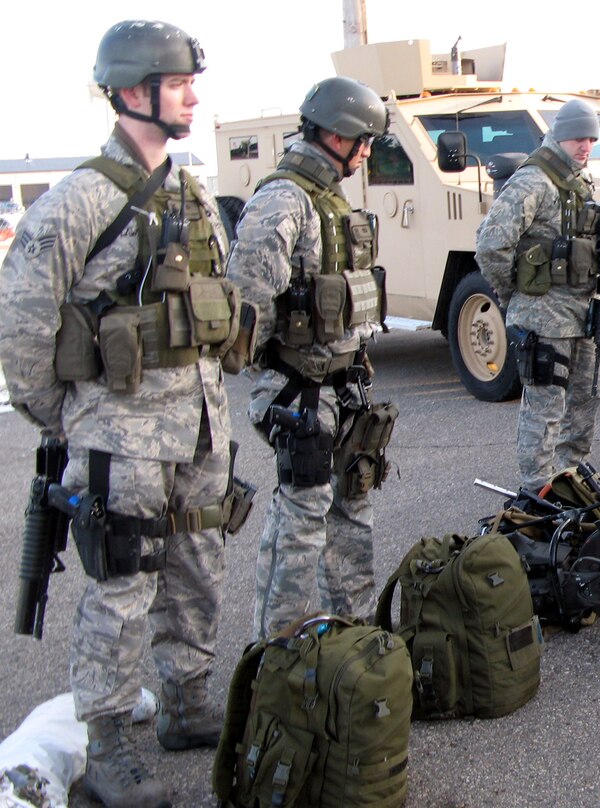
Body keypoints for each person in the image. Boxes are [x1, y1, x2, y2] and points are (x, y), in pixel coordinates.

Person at [0, 20, 237, 807]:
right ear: (136, 91)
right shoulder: (78, 202)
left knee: (198, 566)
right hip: (120, 434)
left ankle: (185, 702)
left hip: (199, 425)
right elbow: (22, 323)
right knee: (122, 583)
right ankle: (106, 742)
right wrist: (64, 417)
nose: (193, 96)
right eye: (179, 84)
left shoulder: (194, 193)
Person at [226, 77, 390, 640]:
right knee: (301, 517)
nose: (366, 150)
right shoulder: (283, 199)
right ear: (330, 131)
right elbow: (245, 301)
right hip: (299, 388)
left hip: (342, 385)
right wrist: (278, 374)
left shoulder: (330, 200)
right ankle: (278, 648)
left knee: (354, 504)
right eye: (360, 138)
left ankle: (354, 630)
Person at [476, 98, 600, 492]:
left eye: (591, 139)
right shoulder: (533, 180)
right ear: (559, 135)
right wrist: (512, 295)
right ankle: (537, 489)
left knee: (586, 397)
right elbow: (491, 246)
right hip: (544, 314)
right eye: (577, 138)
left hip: (582, 310)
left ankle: (571, 478)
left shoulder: (580, 180)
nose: (585, 146)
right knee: (546, 407)